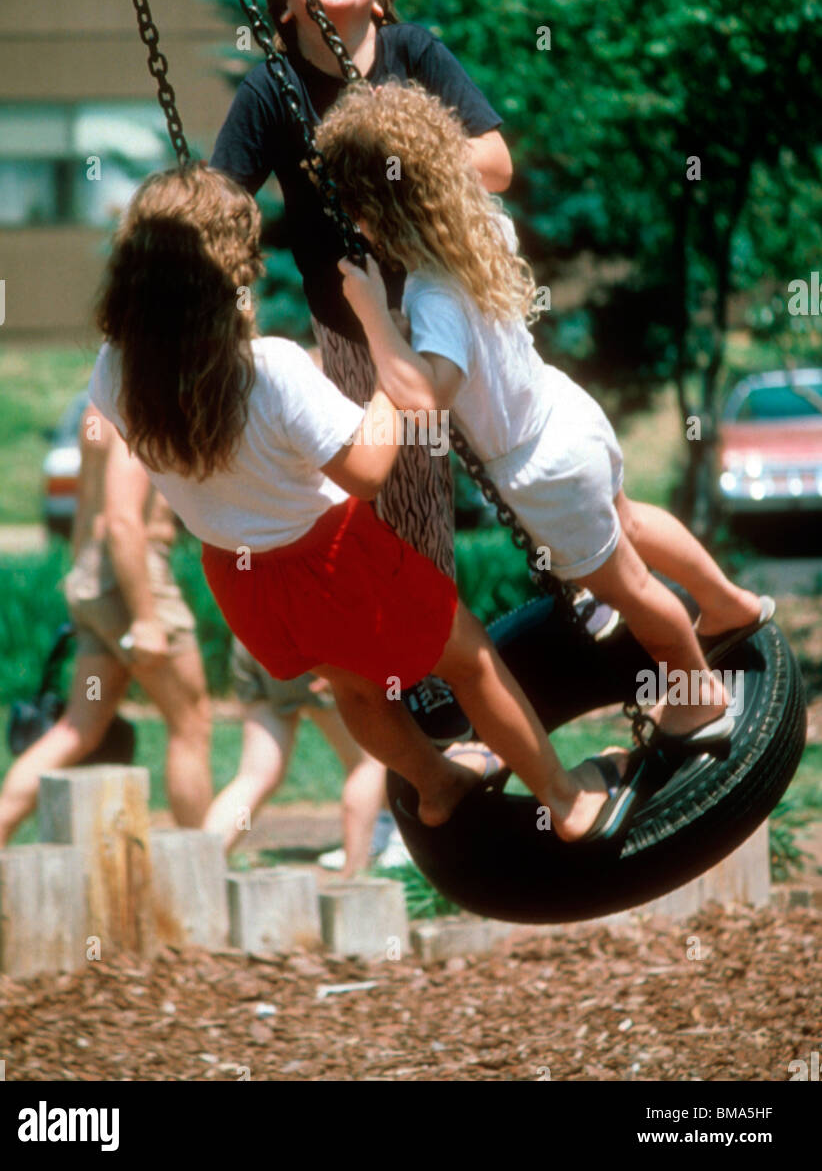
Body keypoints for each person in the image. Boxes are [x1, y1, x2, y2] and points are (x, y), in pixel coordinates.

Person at [86, 161, 646, 845]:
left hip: (245, 580)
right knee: (470, 660)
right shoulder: (271, 372)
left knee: (355, 689)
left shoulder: (114, 372)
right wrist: (395, 371)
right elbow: (367, 471)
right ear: (232, 269)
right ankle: (565, 802)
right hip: (334, 557)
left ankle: (438, 786)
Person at [314, 81, 776, 751]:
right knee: (631, 517)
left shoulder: (434, 293)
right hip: (569, 412)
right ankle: (729, 603)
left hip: (543, 466)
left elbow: (425, 396)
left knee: (628, 587)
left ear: (367, 213)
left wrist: (374, 319)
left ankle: (698, 697)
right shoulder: (481, 226)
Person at [210, 0, 511, 591]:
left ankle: (579, 581)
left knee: (515, 444)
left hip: (449, 300)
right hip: (353, 324)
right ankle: (426, 660)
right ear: (285, 8)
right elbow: (224, 198)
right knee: (405, 498)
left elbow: (496, 163)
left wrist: (403, 157)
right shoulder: (272, 88)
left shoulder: (414, 52)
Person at [0, 404, 212, 886]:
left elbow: (86, 510)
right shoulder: (138, 412)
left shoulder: (97, 410)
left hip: (95, 577)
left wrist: (82, 586)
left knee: (80, 727)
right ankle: (201, 873)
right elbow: (123, 523)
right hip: (133, 577)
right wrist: (144, 618)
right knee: (191, 722)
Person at [204, 638, 390, 877]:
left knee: (255, 775)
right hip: (309, 643)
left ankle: (198, 869)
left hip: (251, 640)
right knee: (367, 762)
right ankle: (354, 878)